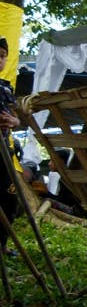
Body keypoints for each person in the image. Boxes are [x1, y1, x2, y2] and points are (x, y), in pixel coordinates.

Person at [0, 37, 21, 250]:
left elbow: (16, 117)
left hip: (4, 152)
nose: (0, 60)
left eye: (3, 56)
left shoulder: (5, 88)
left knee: (9, 198)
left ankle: (2, 244)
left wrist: (13, 121)